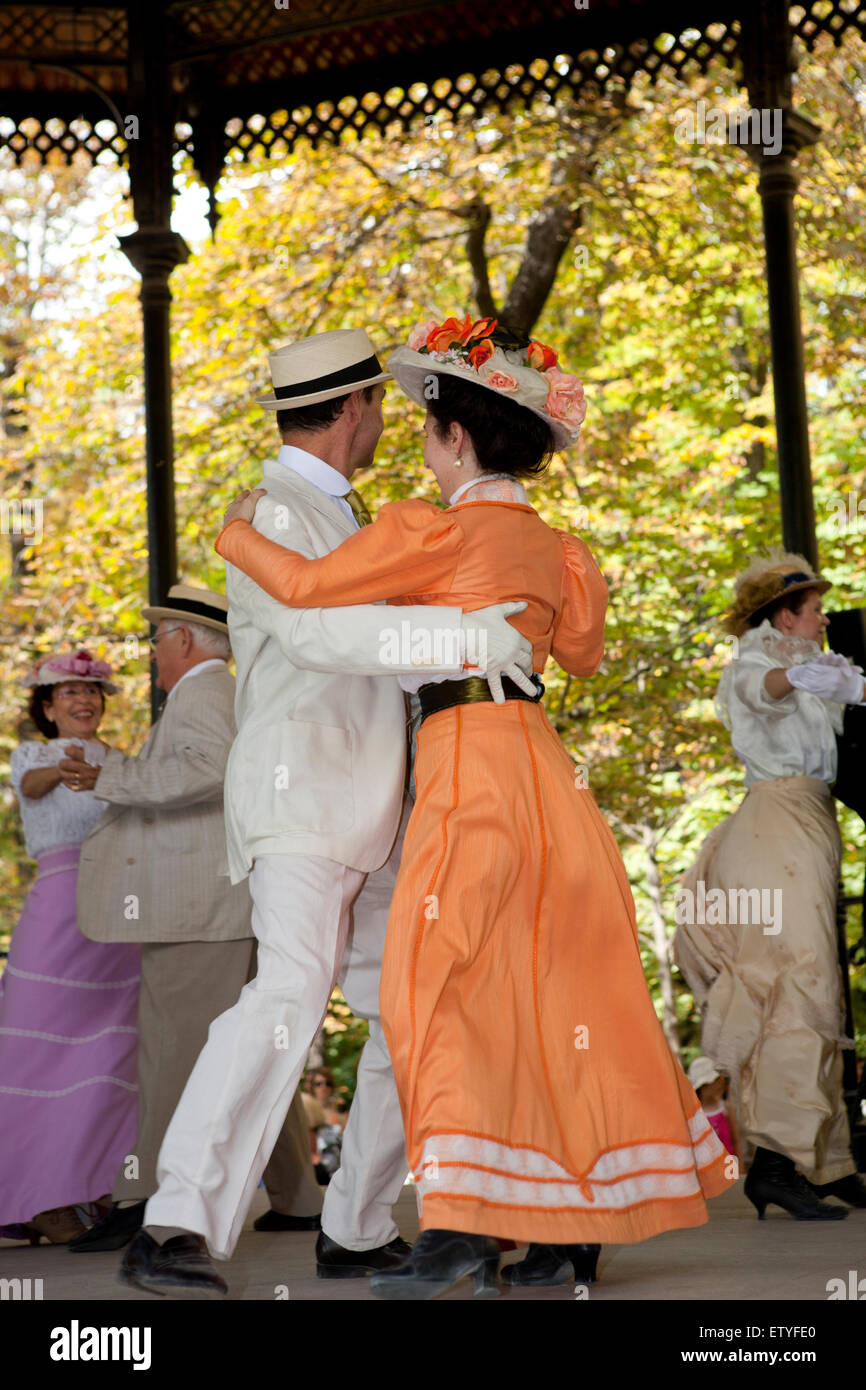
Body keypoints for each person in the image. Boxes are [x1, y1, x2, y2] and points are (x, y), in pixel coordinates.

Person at [212, 313, 736, 1300]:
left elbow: (309, 588)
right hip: (550, 780)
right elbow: (576, 650)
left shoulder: (427, 528)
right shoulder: (564, 552)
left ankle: (458, 1222)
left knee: (431, 988)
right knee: (564, 994)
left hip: (467, 771)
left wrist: (233, 532)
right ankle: (567, 1231)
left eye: (424, 425)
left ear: (455, 437)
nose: (415, 439)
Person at [119, 327, 536, 1298]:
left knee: (413, 1007)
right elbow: (319, 632)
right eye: (379, 406)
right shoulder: (273, 509)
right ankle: (173, 1219)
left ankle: (353, 1225)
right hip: (298, 796)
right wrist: (465, 634)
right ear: (352, 409)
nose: (387, 420)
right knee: (287, 997)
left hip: (375, 804)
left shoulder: (344, 513)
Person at [64, 586, 321, 1254]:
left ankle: (147, 1201)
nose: (152, 652)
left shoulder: (205, 691)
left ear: (184, 640)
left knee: (172, 1048)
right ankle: (297, 1199)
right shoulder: (218, 690)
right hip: (222, 901)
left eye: (157, 638)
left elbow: (209, 769)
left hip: (197, 906)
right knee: (253, 1048)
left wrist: (113, 772)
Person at [675, 551, 866, 1220]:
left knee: (817, 983)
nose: (823, 618)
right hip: (775, 823)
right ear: (784, 615)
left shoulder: (819, 669)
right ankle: (779, 1163)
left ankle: (825, 1159)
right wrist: (799, 672)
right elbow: (765, 690)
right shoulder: (756, 665)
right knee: (798, 980)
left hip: (805, 820)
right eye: (813, 609)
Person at [0, 650, 139, 1244]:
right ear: (49, 706)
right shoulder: (32, 756)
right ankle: (33, 1198)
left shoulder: (125, 760)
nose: (84, 701)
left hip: (120, 911)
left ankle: (92, 1185)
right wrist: (68, 769)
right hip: (59, 908)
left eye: (93, 692)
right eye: (70, 693)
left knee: (109, 1056)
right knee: (35, 1053)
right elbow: (30, 786)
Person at [688, 1057, 743, 1169]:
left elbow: (736, 1140)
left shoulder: (725, 1108)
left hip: (728, 1168)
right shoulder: (693, 1114)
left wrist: (740, 1167)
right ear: (703, 1087)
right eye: (715, 1080)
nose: (721, 1082)